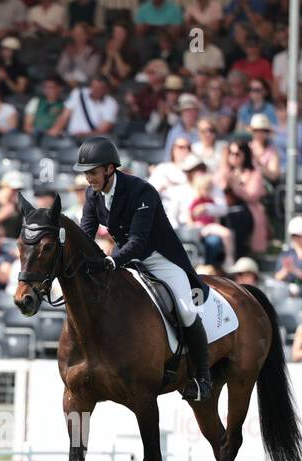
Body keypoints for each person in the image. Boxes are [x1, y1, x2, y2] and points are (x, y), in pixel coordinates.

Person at [75, 134, 213, 400]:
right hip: (124, 257)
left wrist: (111, 260)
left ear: (109, 169)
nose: (89, 179)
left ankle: (203, 378)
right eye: (85, 174)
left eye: (92, 172)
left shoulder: (142, 191)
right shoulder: (93, 195)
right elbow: (86, 233)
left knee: (185, 312)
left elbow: (138, 242)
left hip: (159, 257)